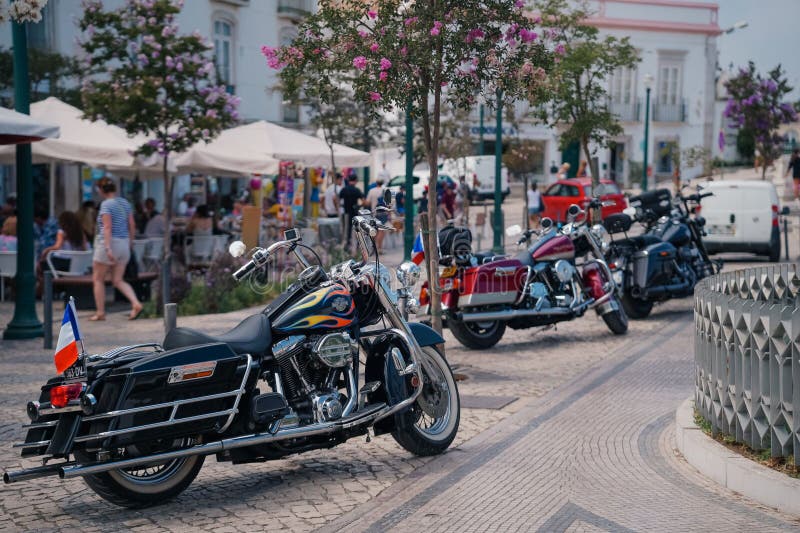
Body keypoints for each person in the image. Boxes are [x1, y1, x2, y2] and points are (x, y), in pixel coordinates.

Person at [90, 177, 142, 321]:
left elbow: (107, 227)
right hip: (124, 244)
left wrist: (107, 248)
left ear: (101, 190)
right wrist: (130, 242)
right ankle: (135, 303)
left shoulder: (106, 205)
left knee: (98, 279)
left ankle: (100, 312)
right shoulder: (125, 203)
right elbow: (132, 224)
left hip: (109, 243)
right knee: (118, 280)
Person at [339, 175, 364, 249]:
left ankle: (347, 244)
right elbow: (364, 202)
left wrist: (340, 206)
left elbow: (336, 198)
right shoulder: (357, 190)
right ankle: (357, 245)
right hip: (355, 212)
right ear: (355, 181)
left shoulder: (344, 189)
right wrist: (359, 206)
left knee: (347, 229)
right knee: (357, 229)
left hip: (346, 213)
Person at [366, 178, 388, 252]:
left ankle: (374, 247)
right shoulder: (386, 190)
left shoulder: (371, 191)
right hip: (383, 213)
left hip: (374, 213)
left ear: (376, 183)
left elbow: (368, 202)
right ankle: (379, 248)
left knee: (375, 230)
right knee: (381, 231)